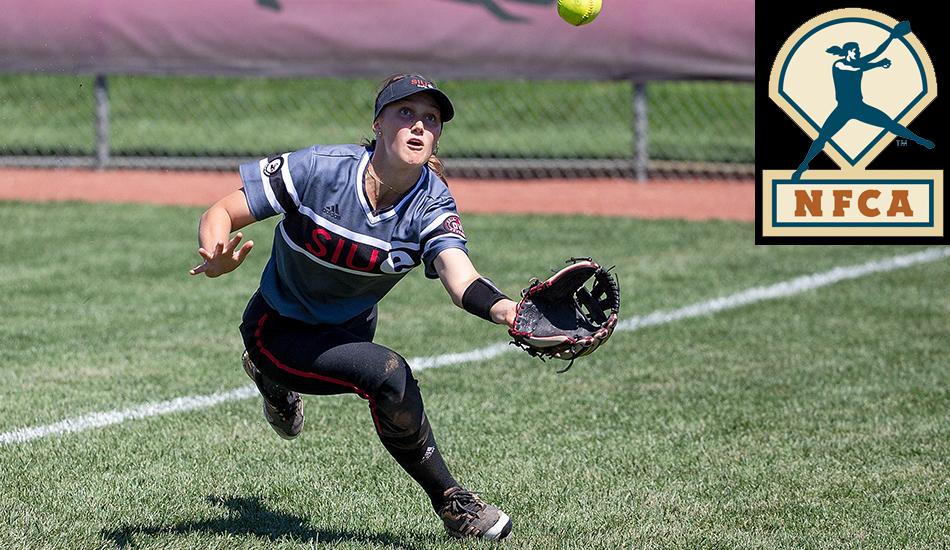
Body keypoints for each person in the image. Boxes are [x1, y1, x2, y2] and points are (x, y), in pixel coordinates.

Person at [189, 74, 516, 540]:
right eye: (405, 113)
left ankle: (274, 383)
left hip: (348, 331)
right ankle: (454, 504)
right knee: (389, 373)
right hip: (276, 329)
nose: (419, 126)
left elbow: (459, 276)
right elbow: (219, 212)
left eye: (431, 119)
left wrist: (508, 311)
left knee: (383, 374)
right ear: (379, 123)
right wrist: (216, 255)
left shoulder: (431, 203)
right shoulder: (322, 169)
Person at [792, 35, 934, 180]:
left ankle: (919, 140)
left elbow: (876, 53)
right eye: (856, 51)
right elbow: (856, 68)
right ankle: (803, 165)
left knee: (890, 124)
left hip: (859, 107)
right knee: (822, 138)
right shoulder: (838, 64)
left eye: (859, 51)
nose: (859, 53)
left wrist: (892, 37)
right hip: (843, 110)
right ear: (848, 52)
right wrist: (878, 64)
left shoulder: (858, 62)